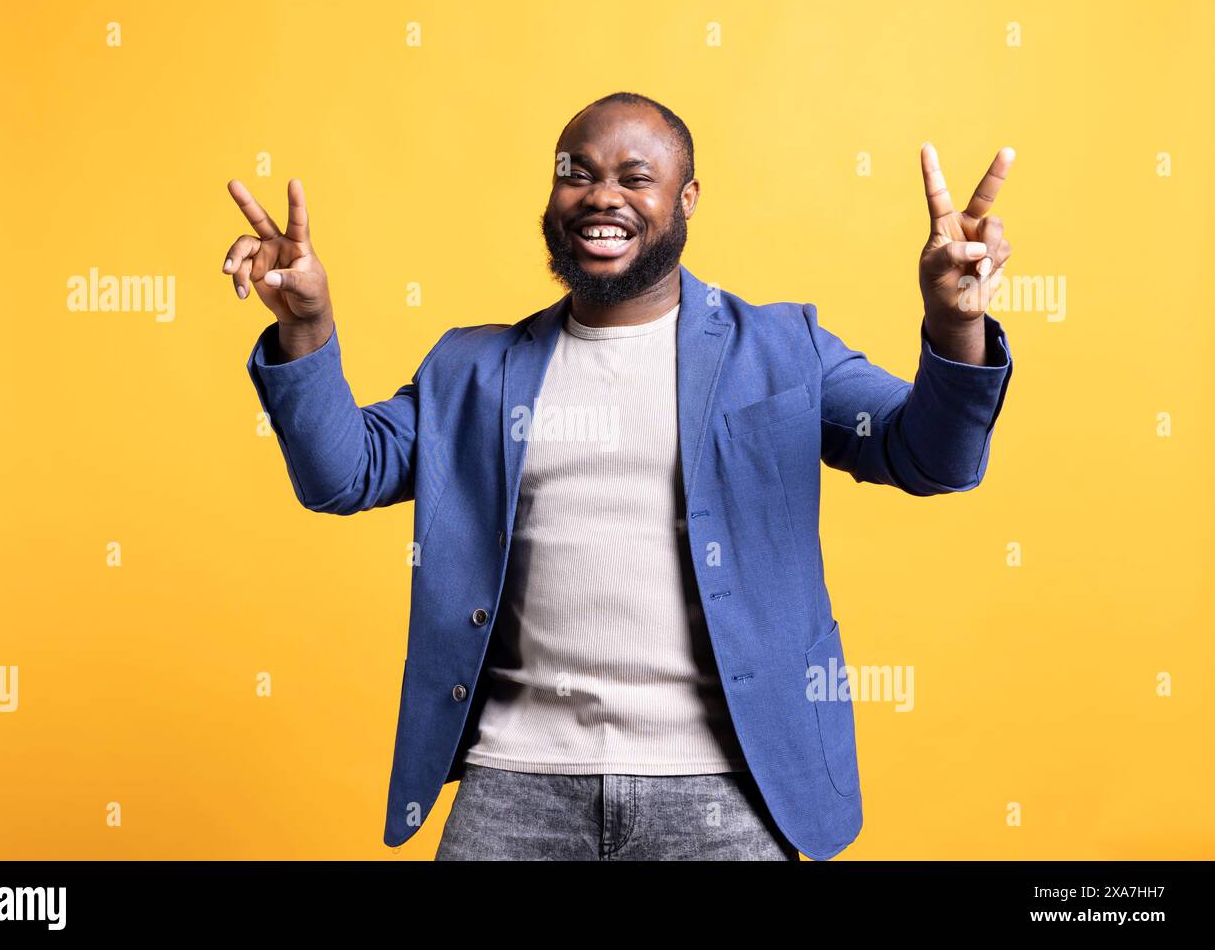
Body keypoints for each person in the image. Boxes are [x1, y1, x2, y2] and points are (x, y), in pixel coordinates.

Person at [223, 92, 1015, 861]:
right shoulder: (472, 369)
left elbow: (931, 457)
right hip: (515, 787)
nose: (601, 196)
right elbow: (341, 474)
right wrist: (306, 327)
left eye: (635, 177)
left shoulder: (781, 349)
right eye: (577, 172)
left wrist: (955, 322)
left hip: (729, 793)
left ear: (686, 197)